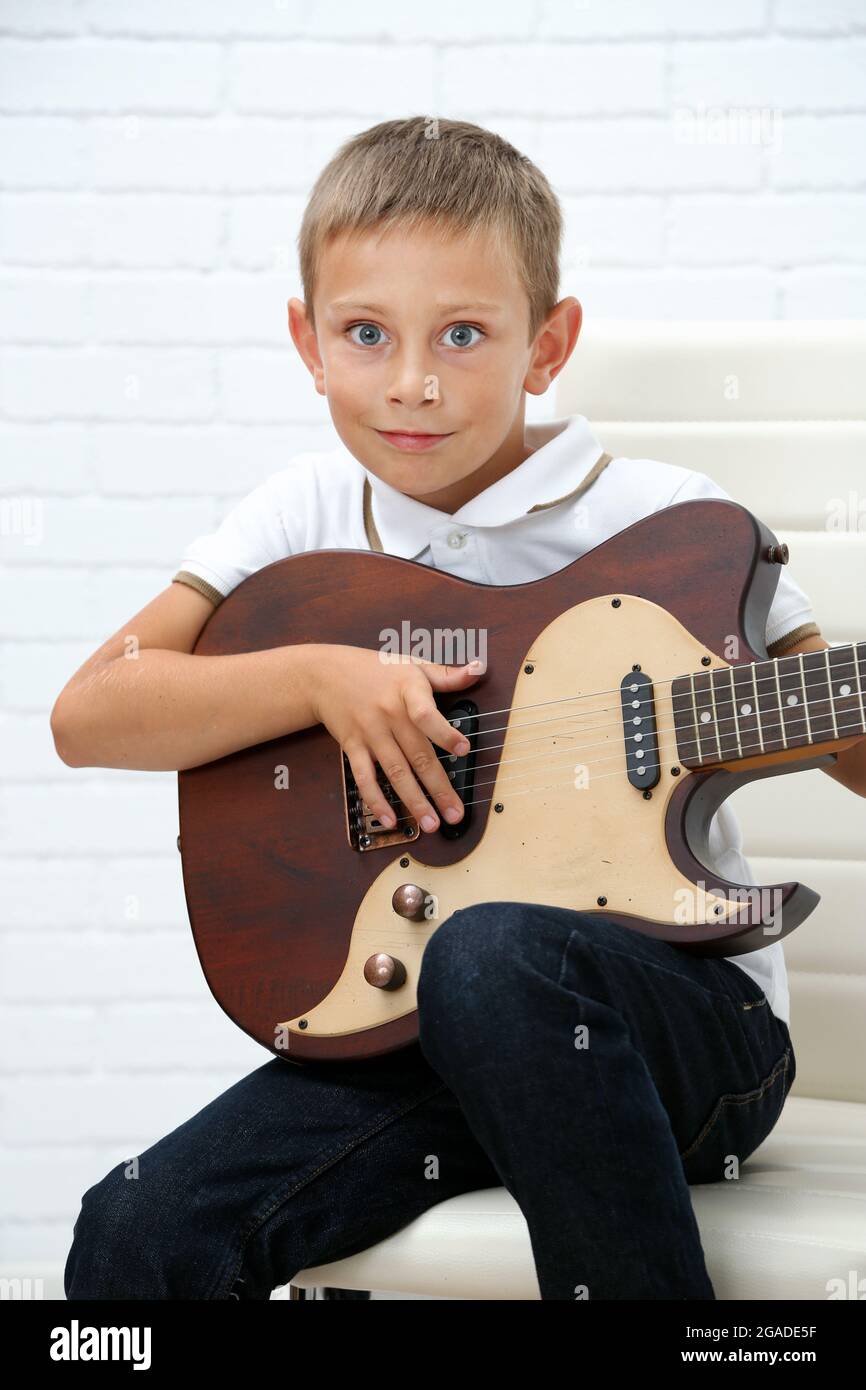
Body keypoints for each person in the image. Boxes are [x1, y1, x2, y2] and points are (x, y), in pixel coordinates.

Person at [52, 116, 866, 1301]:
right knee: (135, 1231)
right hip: (416, 1045)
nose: (411, 382)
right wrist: (319, 676)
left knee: (494, 958)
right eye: (365, 334)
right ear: (307, 340)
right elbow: (91, 713)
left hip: (680, 1039)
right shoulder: (301, 517)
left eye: (464, 334)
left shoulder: (668, 524)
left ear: (548, 344)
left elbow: (837, 734)